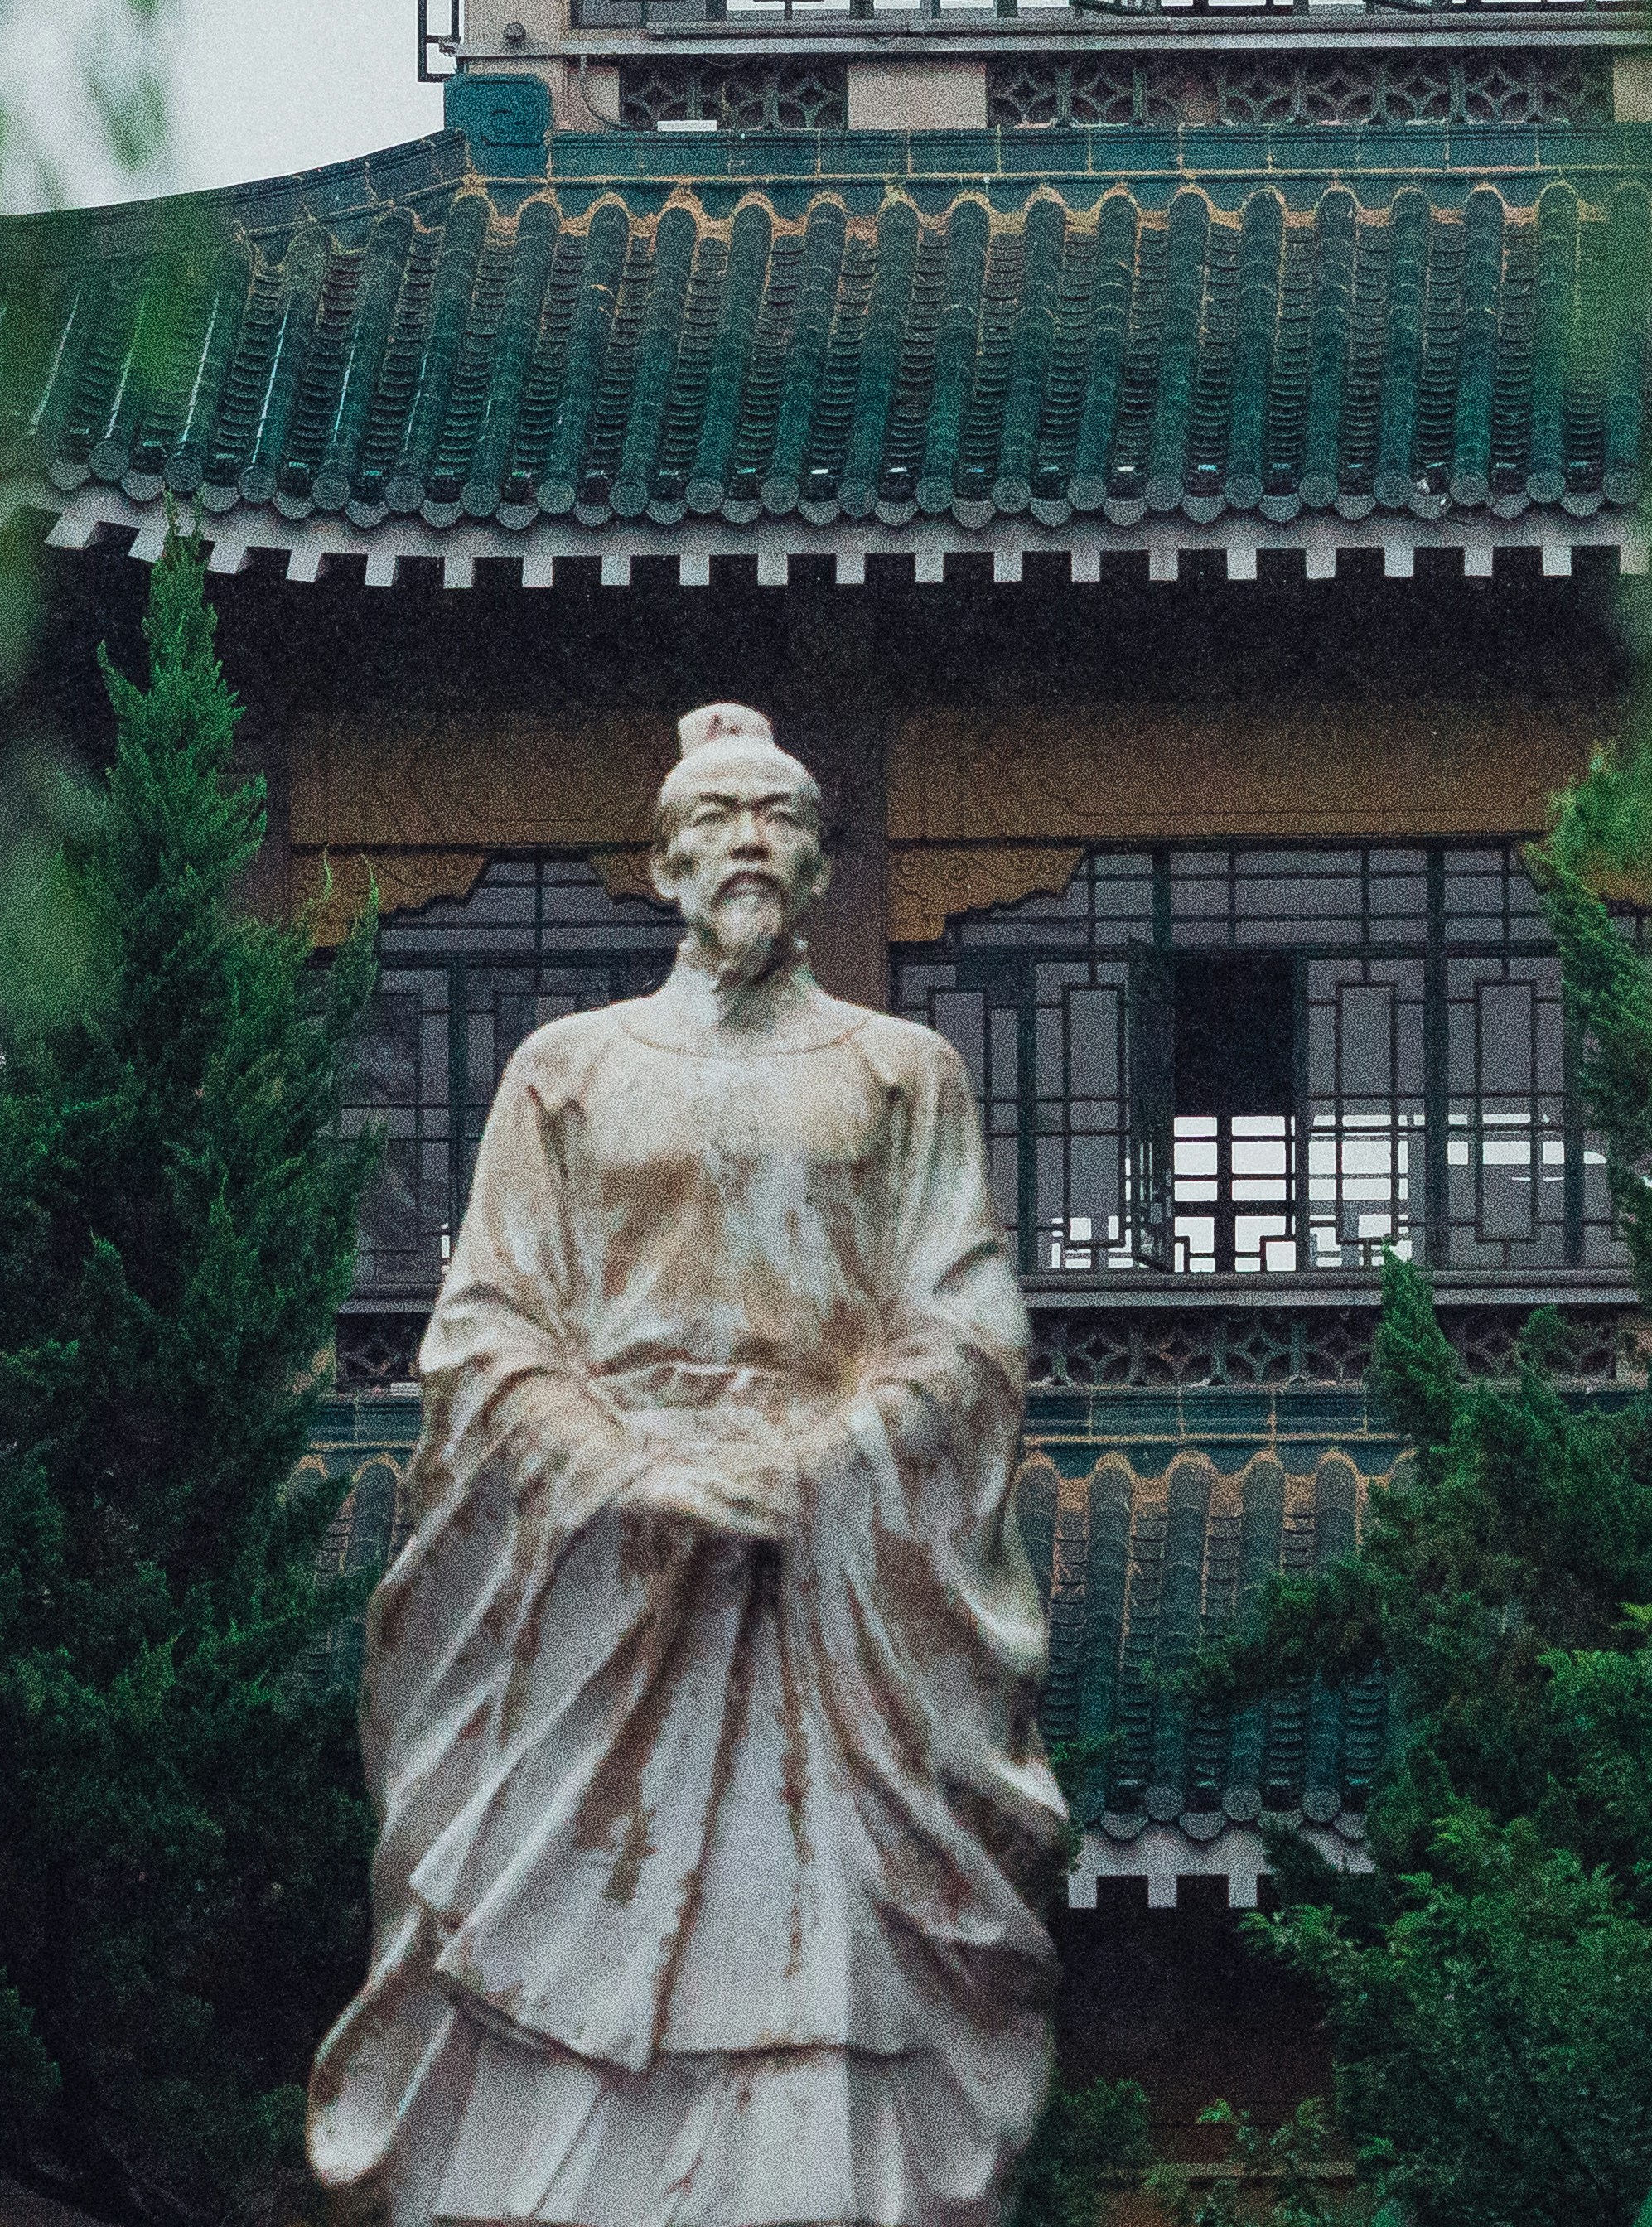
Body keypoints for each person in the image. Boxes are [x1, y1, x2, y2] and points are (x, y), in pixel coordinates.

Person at [304, 703, 1065, 2227]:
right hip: (600, 1583)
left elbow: (966, 1325)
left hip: (825, 1595)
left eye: (779, 821)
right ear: (661, 865)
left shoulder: (901, 1074)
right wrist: (626, 1475)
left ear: (826, 865)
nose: (749, 847)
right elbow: (489, 1332)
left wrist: (830, 1457)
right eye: (716, 824)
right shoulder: (566, 1074)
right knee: (543, 1941)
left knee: (814, 1957)